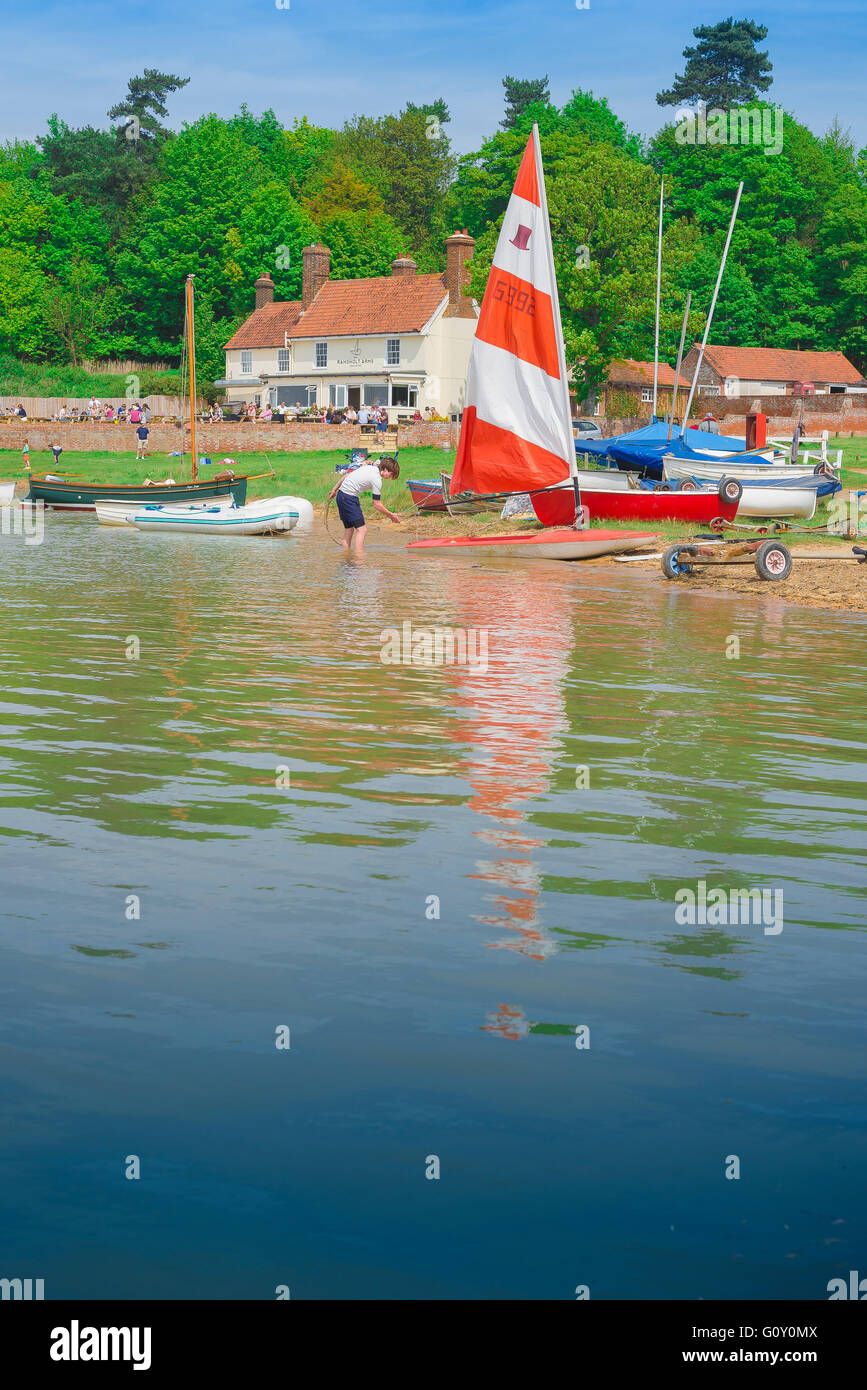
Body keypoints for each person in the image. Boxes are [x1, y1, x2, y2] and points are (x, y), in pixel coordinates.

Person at [328, 457, 401, 554]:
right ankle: (359, 560)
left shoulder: (370, 467)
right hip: (349, 498)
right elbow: (376, 504)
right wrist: (391, 515)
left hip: (341, 496)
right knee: (362, 530)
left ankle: (346, 559)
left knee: (349, 529)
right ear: (386, 469)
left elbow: (346, 476)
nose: (391, 477)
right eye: (391, 474)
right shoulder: (377, 479)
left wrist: (334, 490)